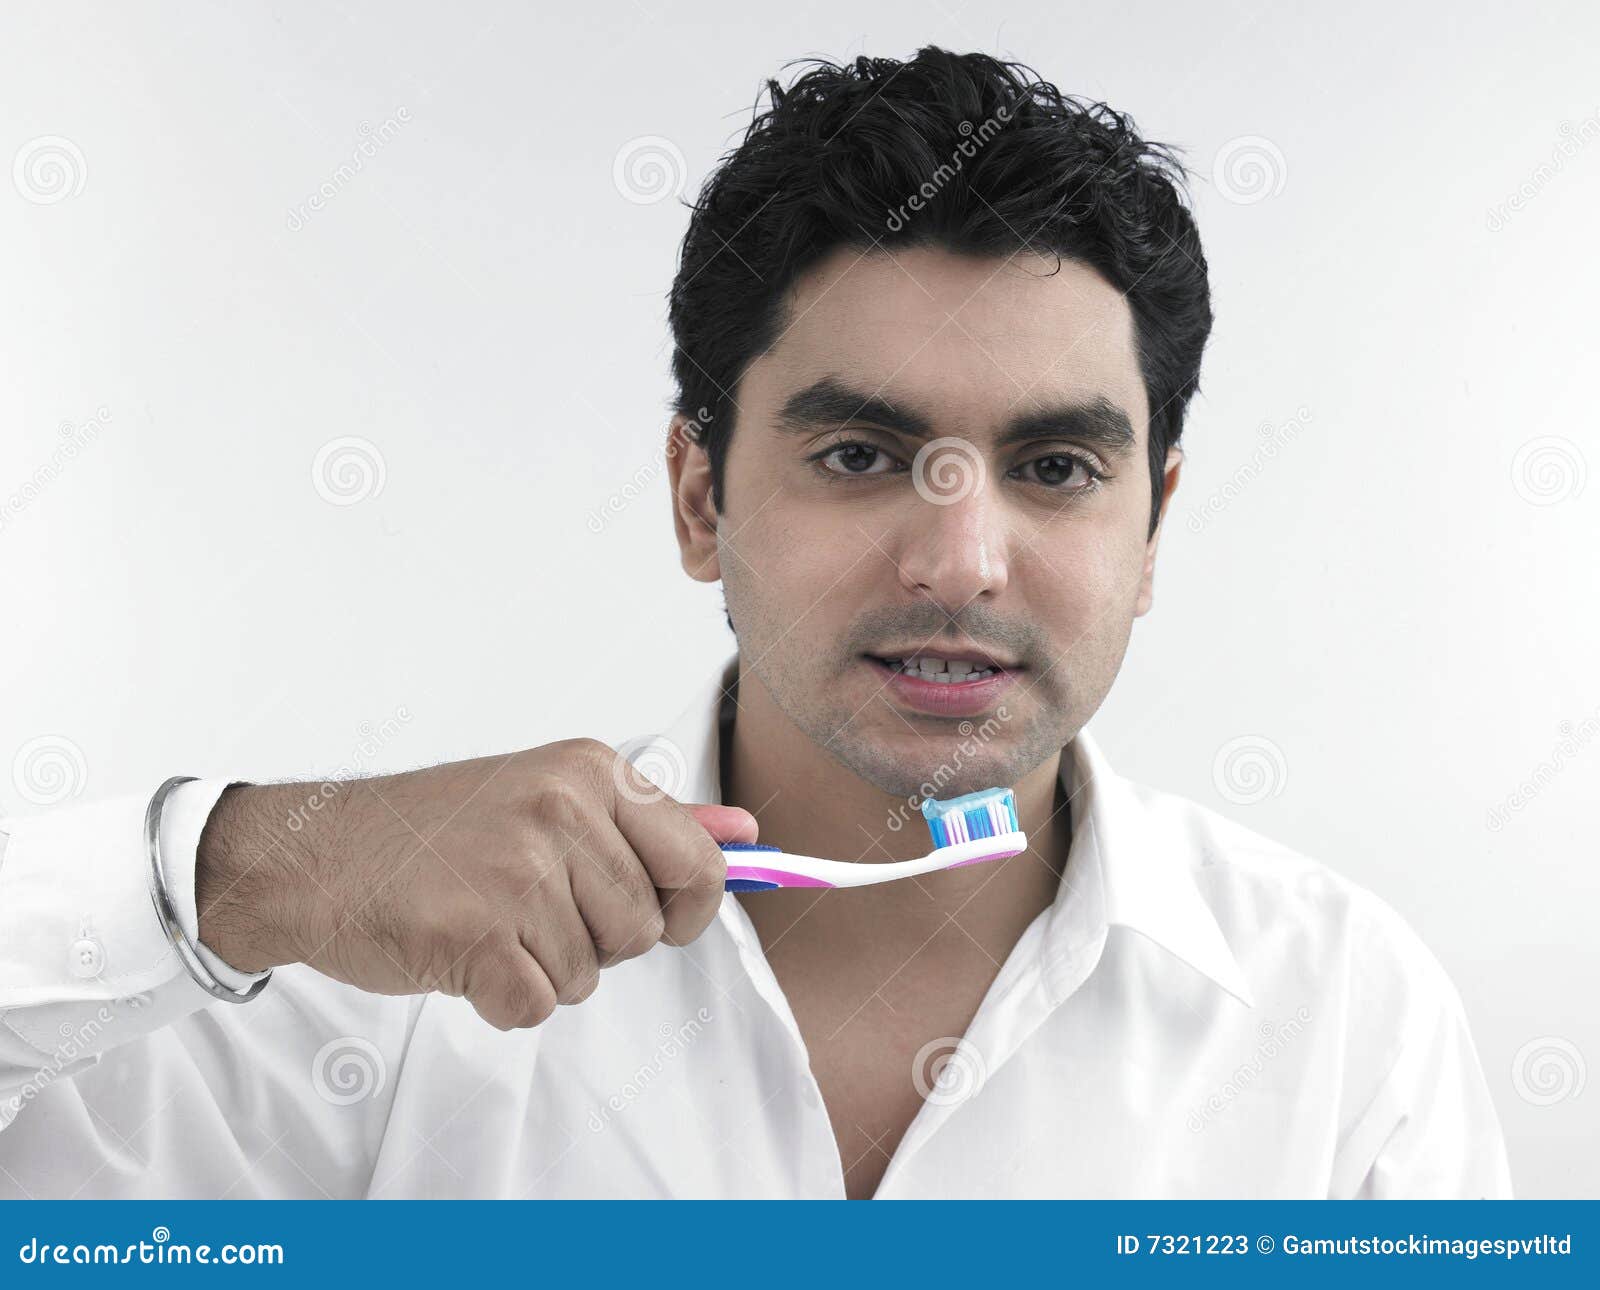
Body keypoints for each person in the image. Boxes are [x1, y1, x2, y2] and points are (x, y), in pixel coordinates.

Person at [0, 46, 1511, 1200]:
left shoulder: (1340, 1026)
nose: (963, 561)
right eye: (859, 455)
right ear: (699, 495)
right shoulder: (352, 978)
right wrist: (252, 865)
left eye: (1054, 468)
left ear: (1153, 526)